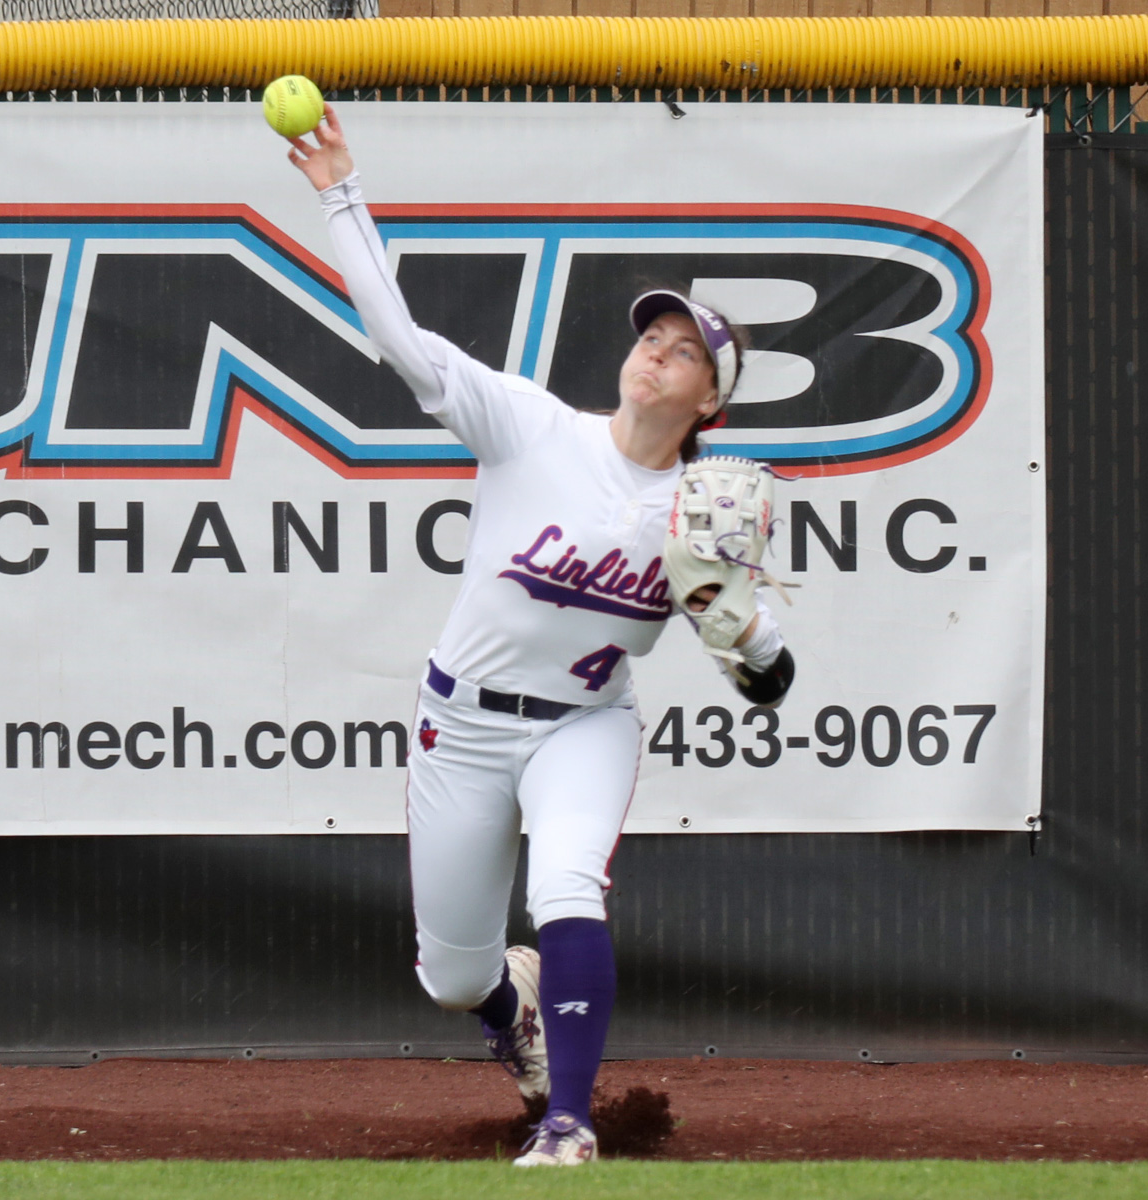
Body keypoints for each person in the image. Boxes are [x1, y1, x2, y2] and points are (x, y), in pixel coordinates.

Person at [286, 106, 794, 1168]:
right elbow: (399, 339)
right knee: (452, 975)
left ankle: (569, 1123)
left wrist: (746, 638)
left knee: (567, 885)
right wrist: (341, 192)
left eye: (683, 351)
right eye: (650, 337)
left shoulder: (704, 512)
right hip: (461, 723)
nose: (657, 353)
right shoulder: (529, 427)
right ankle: (507, 1011)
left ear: (712, 398)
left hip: (584, 725)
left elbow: (764, 675)